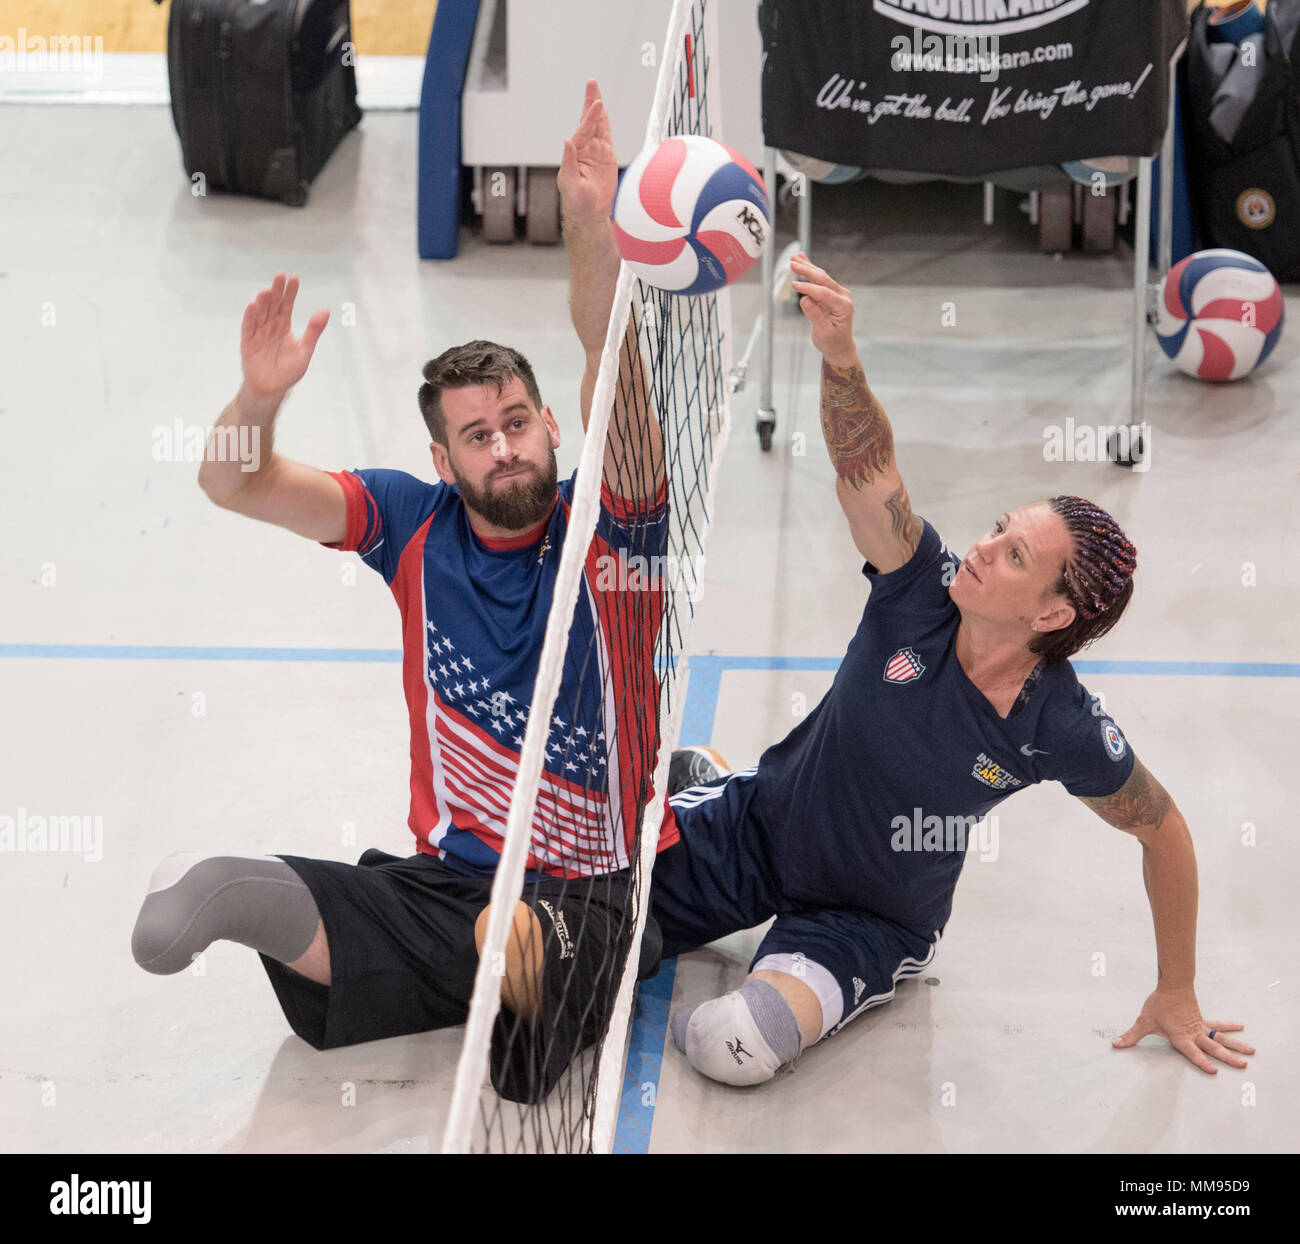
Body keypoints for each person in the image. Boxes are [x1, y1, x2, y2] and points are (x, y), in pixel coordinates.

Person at [131, 81, 673, 1104]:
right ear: (443, 454)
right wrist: (261, 393)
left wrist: (590, 224)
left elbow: (614, 359)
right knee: (232, 914)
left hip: (591, 887)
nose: (505, 444)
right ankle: (258, 893)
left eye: (518, 420)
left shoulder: (614, 533)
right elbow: (232, 482)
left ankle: (498, 957)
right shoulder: (410, 523)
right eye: (479, 432)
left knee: (535, 961)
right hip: (447, 878)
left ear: (554, 425)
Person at [655, 253, 1256, 1087]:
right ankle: (716, 783)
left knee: (736, 1045)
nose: (981, 546)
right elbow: (868, 477)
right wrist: (840, 359)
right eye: (999, 525)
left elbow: (1165, 829)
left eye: (1013, 554)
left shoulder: (1060, 726)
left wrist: (1177, 988)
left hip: (870, 918)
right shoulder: (921, 587)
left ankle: (748, 899)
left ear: (1050, 615)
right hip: (764, 827)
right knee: (599, 910)